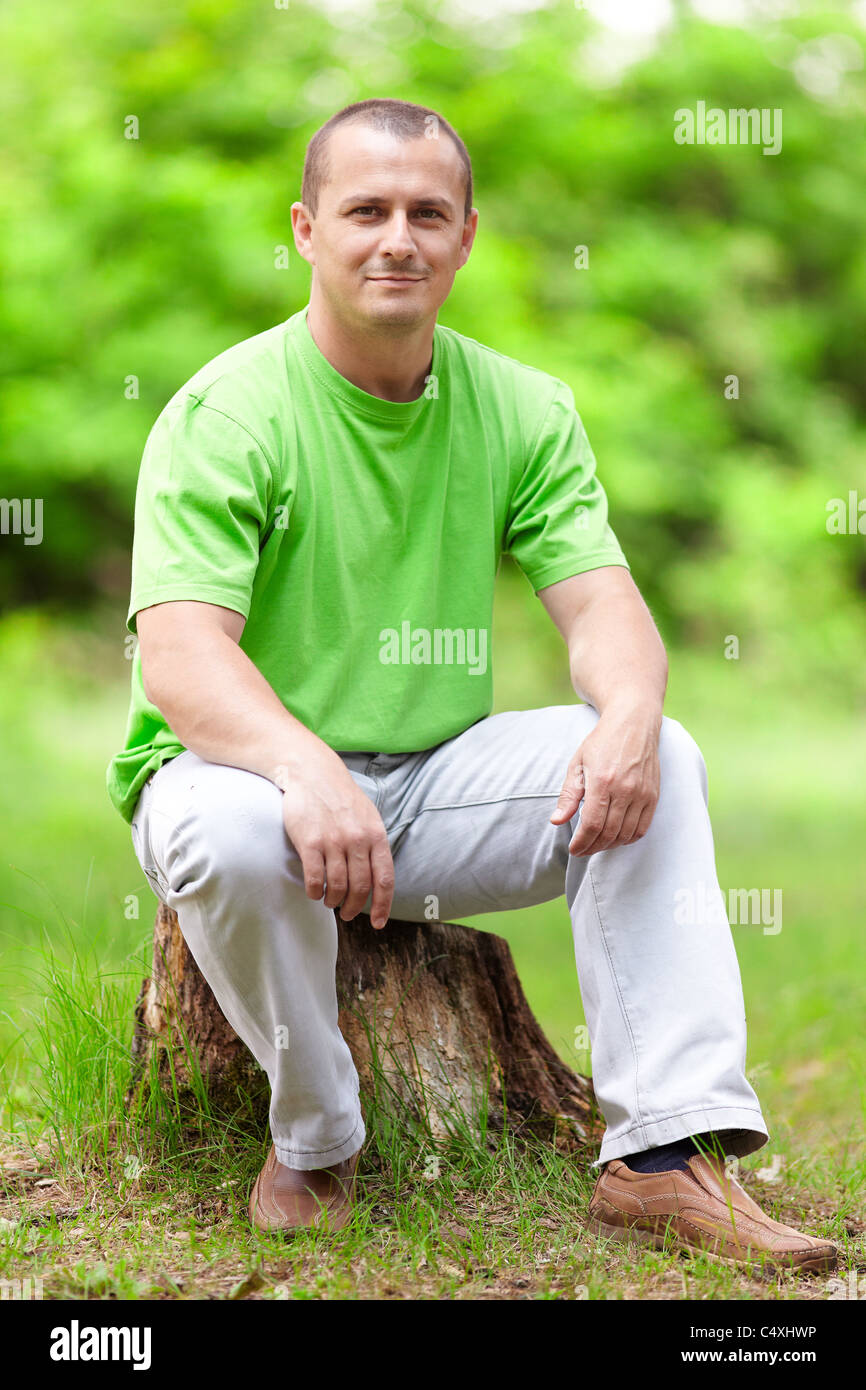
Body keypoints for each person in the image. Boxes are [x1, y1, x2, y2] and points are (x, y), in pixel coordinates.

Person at [107, 97, 836, 1273]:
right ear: (304, 230)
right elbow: (184, 657)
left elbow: (601, 606)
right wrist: (302, 767)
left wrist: (631, 715)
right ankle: (316, 1138)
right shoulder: (224, 412)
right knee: (230, 838)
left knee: (664, 754)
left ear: (464, 237)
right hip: (240, 777)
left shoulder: (521, 407)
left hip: (429, 786)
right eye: (364, 210)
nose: (395, 236)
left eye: (424, 213)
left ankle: (660, 1154)